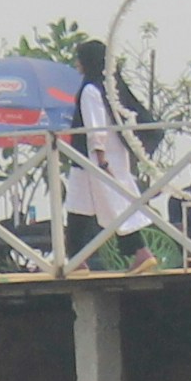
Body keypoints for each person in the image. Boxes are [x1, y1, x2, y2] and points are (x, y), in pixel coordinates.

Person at [62, 36, 148, 267]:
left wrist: (100, 157)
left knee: (115, 206)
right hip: (109, 155)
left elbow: (95, 125)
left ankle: (140, 253)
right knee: (79, 208)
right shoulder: (109, 87)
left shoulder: (90, 89)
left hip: (93, 158)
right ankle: (77, 260)